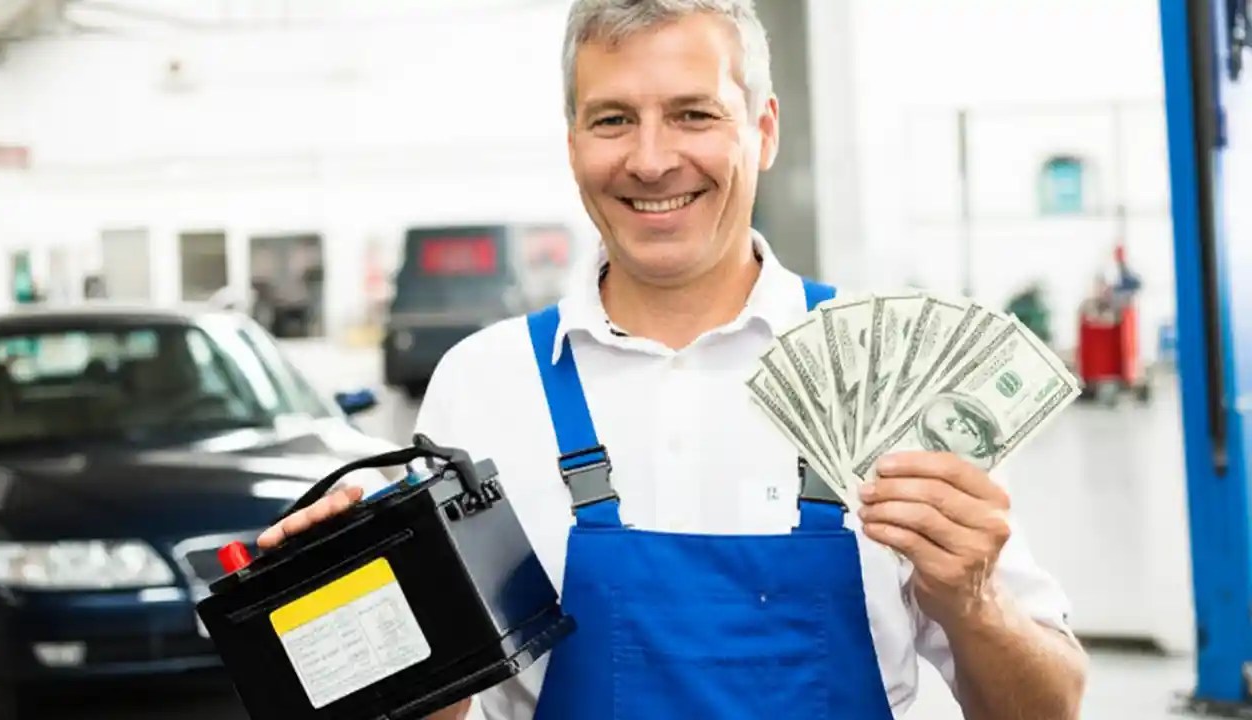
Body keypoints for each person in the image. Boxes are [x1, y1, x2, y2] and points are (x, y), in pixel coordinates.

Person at [257, 1, 1088, 718]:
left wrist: (975, 602)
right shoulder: (483, 387)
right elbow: (430, 715)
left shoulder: (890, 381)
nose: (651, 160)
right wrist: (352, 612)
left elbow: (1047, 710)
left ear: (761, 132)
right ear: (573, 138)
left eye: (693, 114)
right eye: (613, 118)